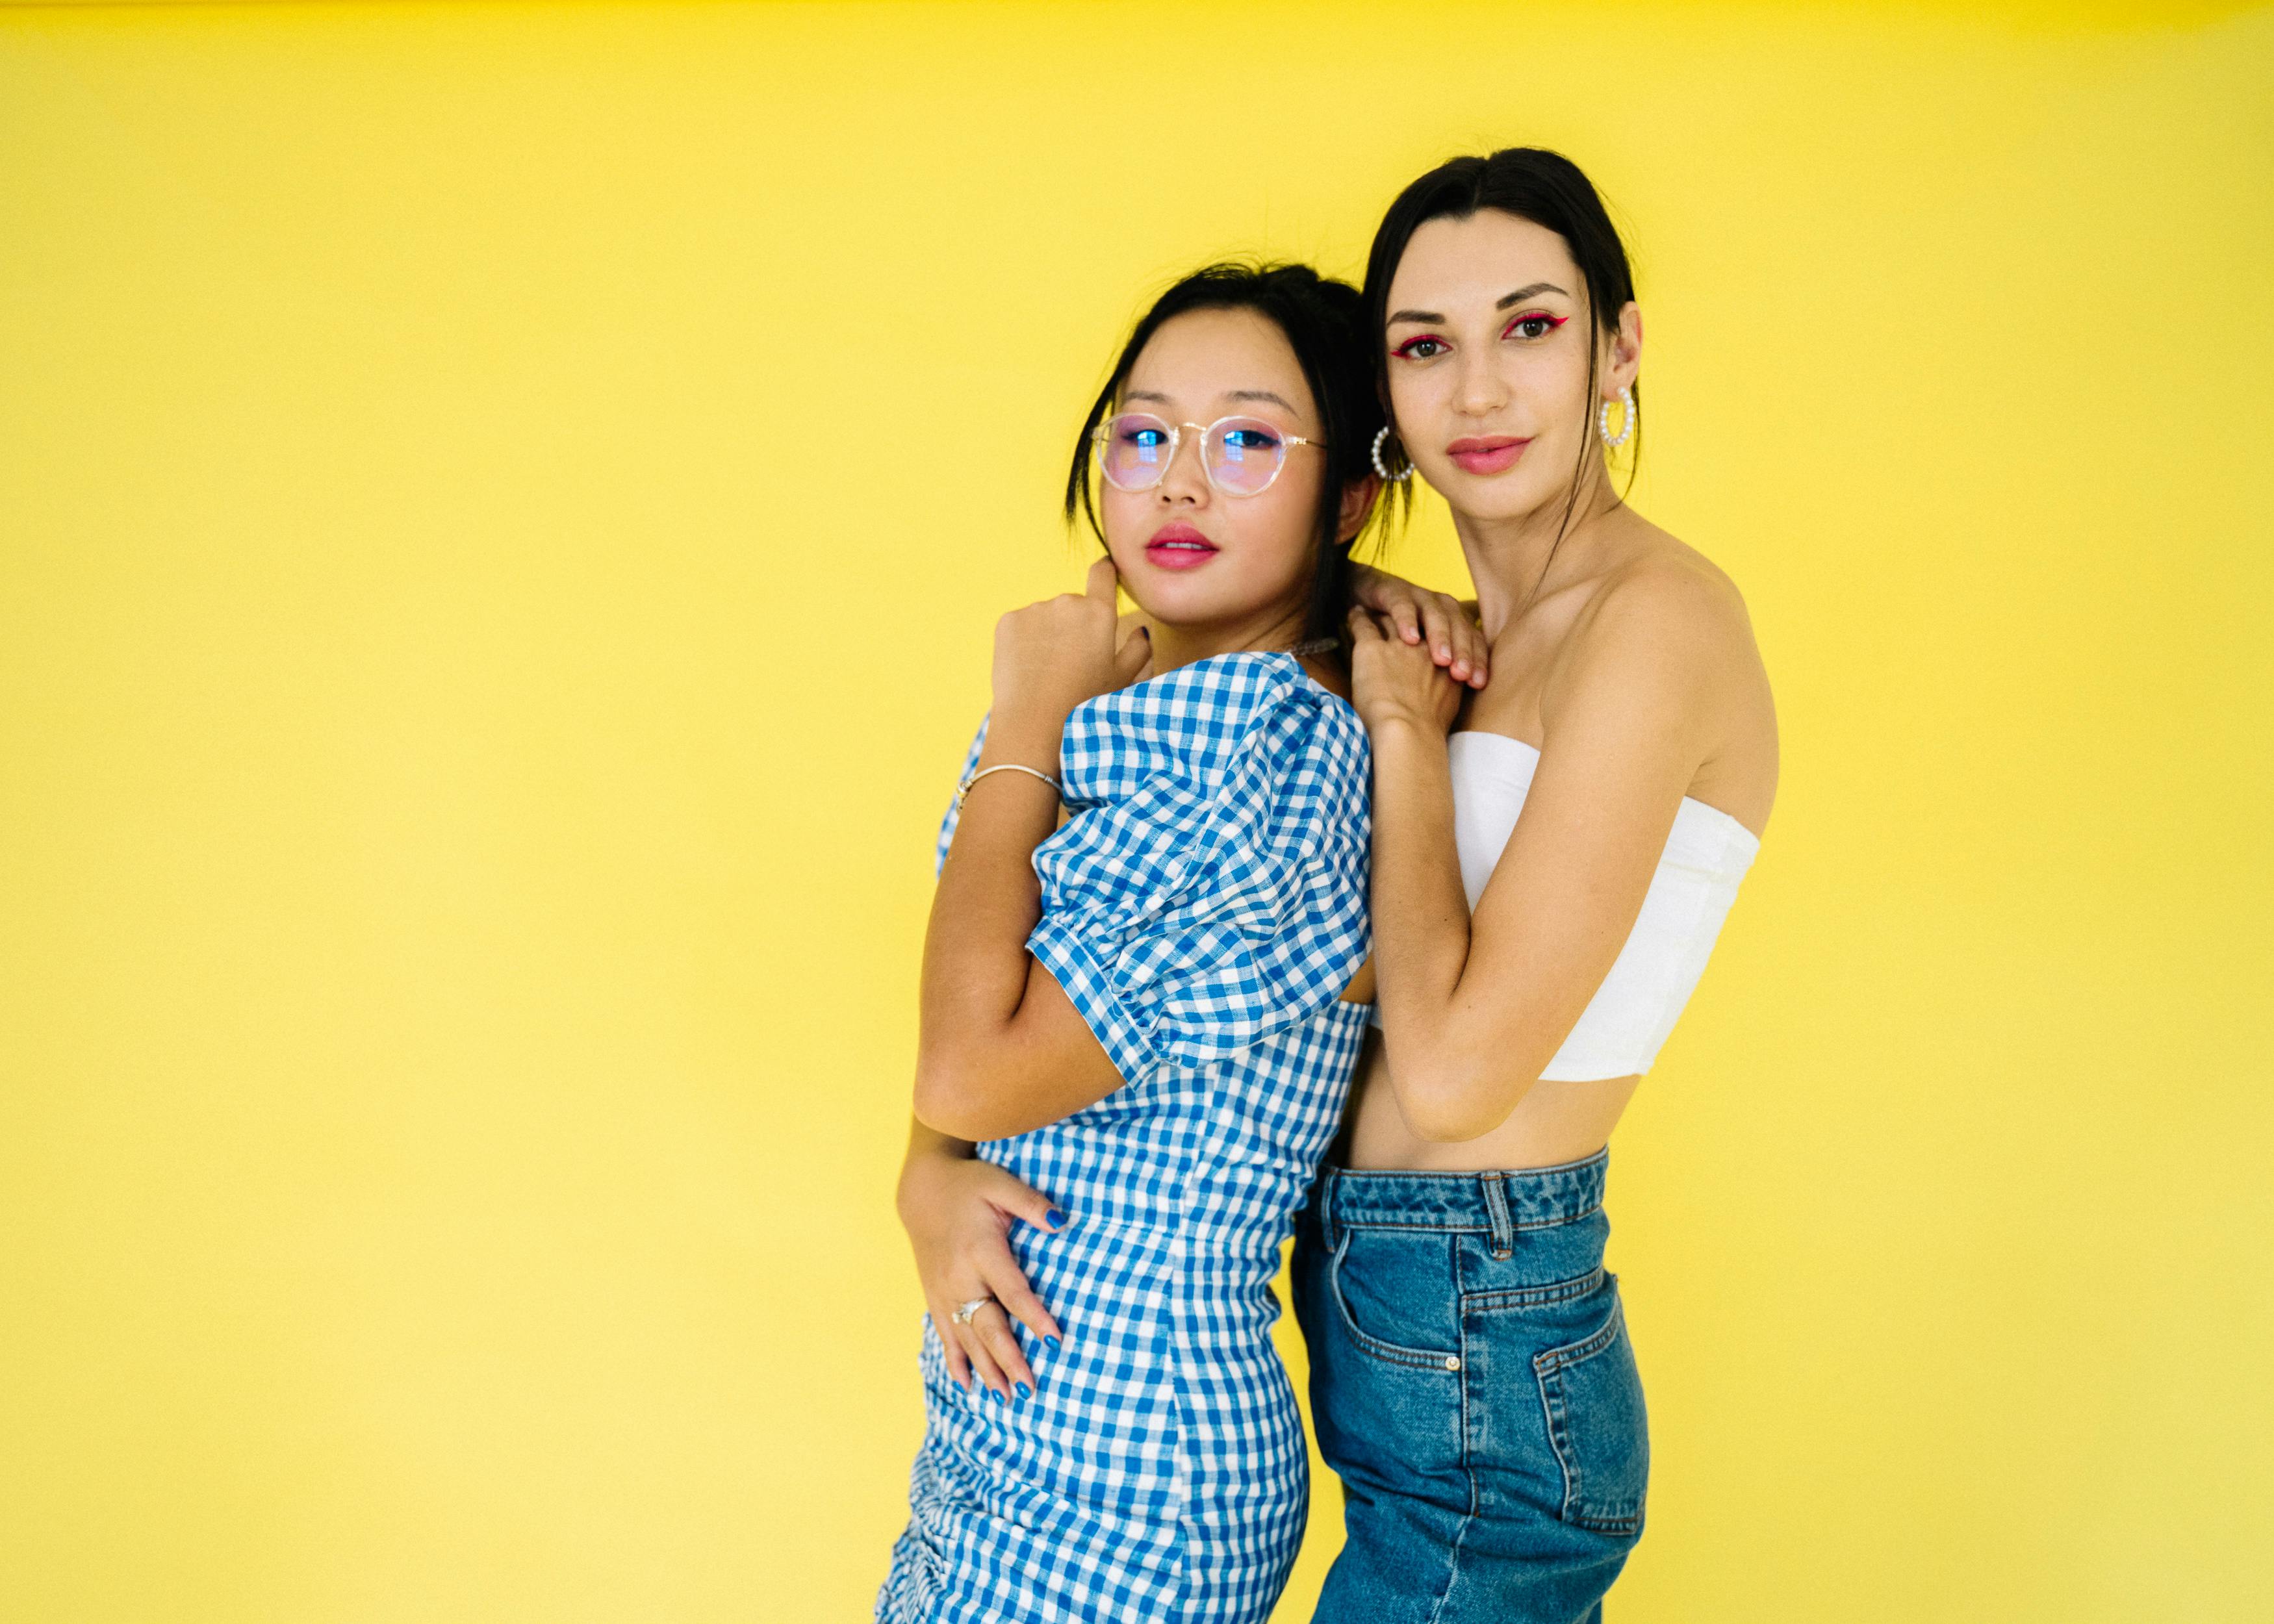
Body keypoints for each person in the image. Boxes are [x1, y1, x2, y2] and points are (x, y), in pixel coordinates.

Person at [876, 260, 1485, 1624]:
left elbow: (971, 1067)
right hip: (1010, 1415)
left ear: (1348, 495)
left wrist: (1023, 718)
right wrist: (922, 1176)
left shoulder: (1260, 757)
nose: (1178, 481)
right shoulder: (1145, 687)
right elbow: (972, 1031)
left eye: (1248, 439)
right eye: (1143, 432)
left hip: (1123, 1460)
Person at [1298, 146, 1780, 1622]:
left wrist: (1396, 726)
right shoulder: (1476, 641)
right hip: (1406, 1311)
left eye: (1530, 326)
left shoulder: (1656, 621)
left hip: (1489, 1343)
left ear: (1618, 344)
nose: (1479, 394)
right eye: (1424, 347)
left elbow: (1449, 1071)